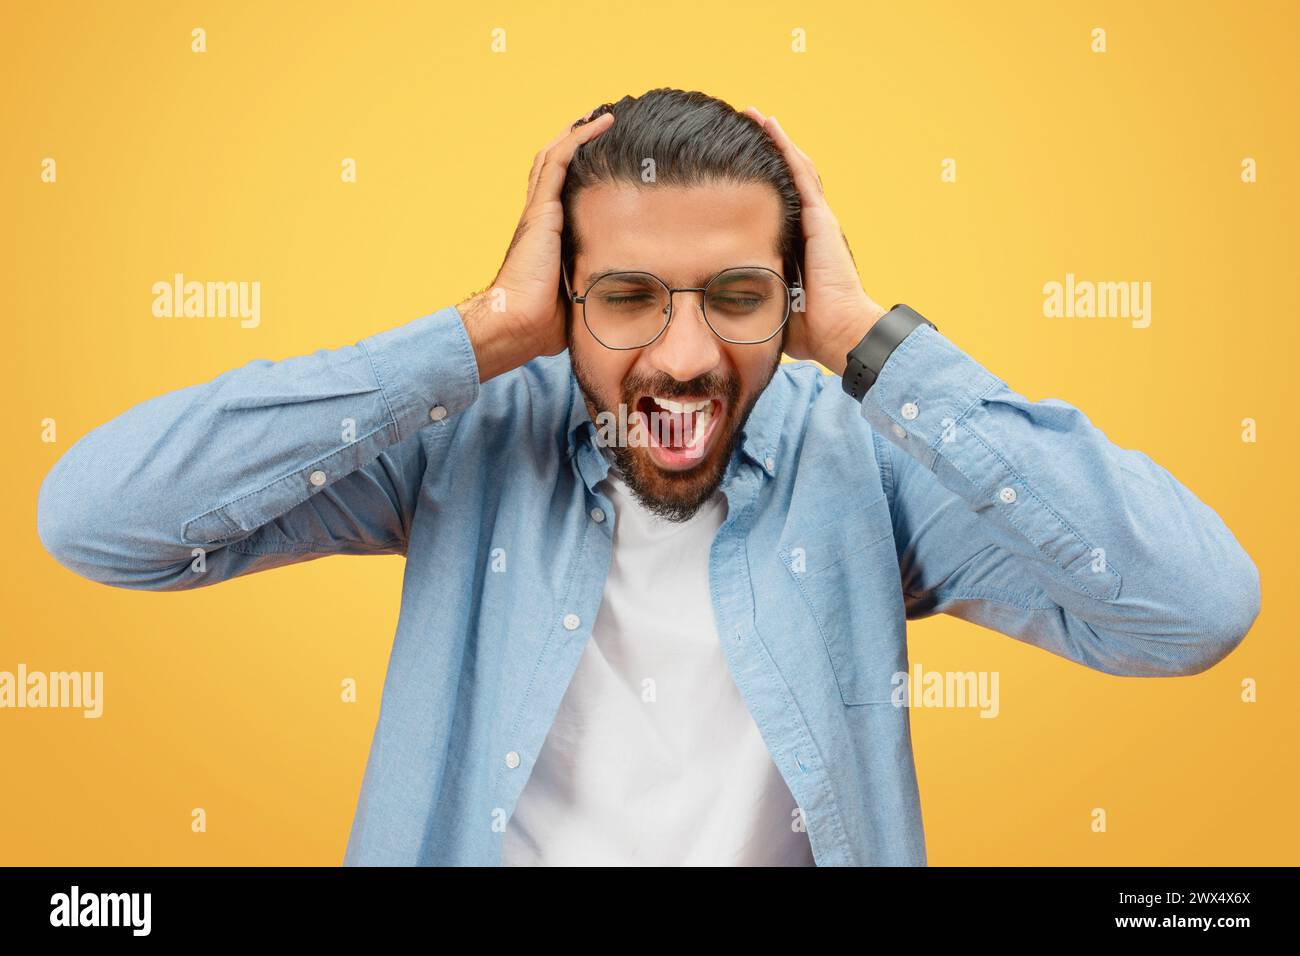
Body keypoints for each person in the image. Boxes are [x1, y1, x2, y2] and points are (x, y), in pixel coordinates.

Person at [36, 88, 1261, 866]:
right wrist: (474, 337)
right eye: (624, 296)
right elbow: (101, 519)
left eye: (735, 297)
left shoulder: (867, 460)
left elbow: (1192, 608)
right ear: (559, 295)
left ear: (791, 293)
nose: (683, 357)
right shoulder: (469, 434)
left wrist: (873, 346)